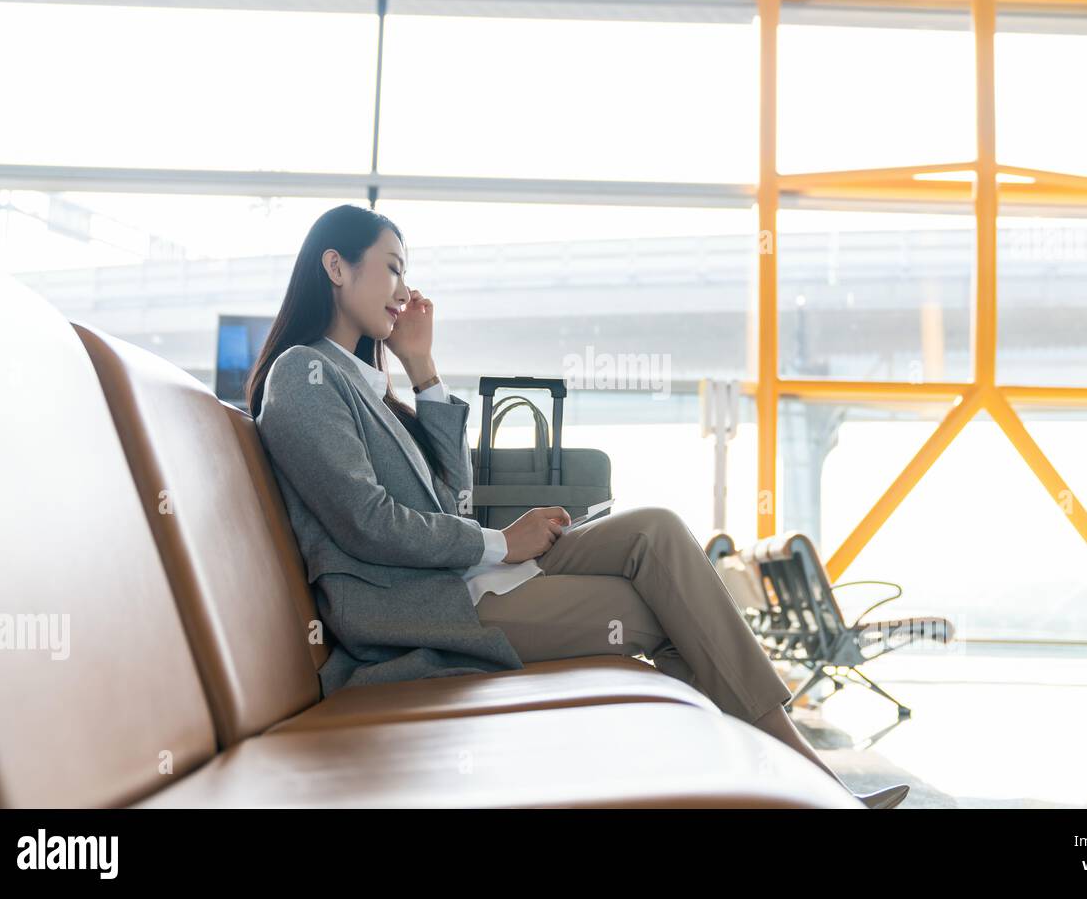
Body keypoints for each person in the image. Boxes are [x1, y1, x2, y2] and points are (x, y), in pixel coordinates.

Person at [248, 204, 908, 809]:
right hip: (423, 613)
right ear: (336, 265)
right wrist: (504, 544)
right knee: (662, 613)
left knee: (657, 528)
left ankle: (784, 777)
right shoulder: (303, 375)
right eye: (391, 266)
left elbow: (452, 501)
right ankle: (802, 782)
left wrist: (423, 370)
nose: (403, 288)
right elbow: (366, 522)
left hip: (463, 580)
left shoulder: (365, 385)